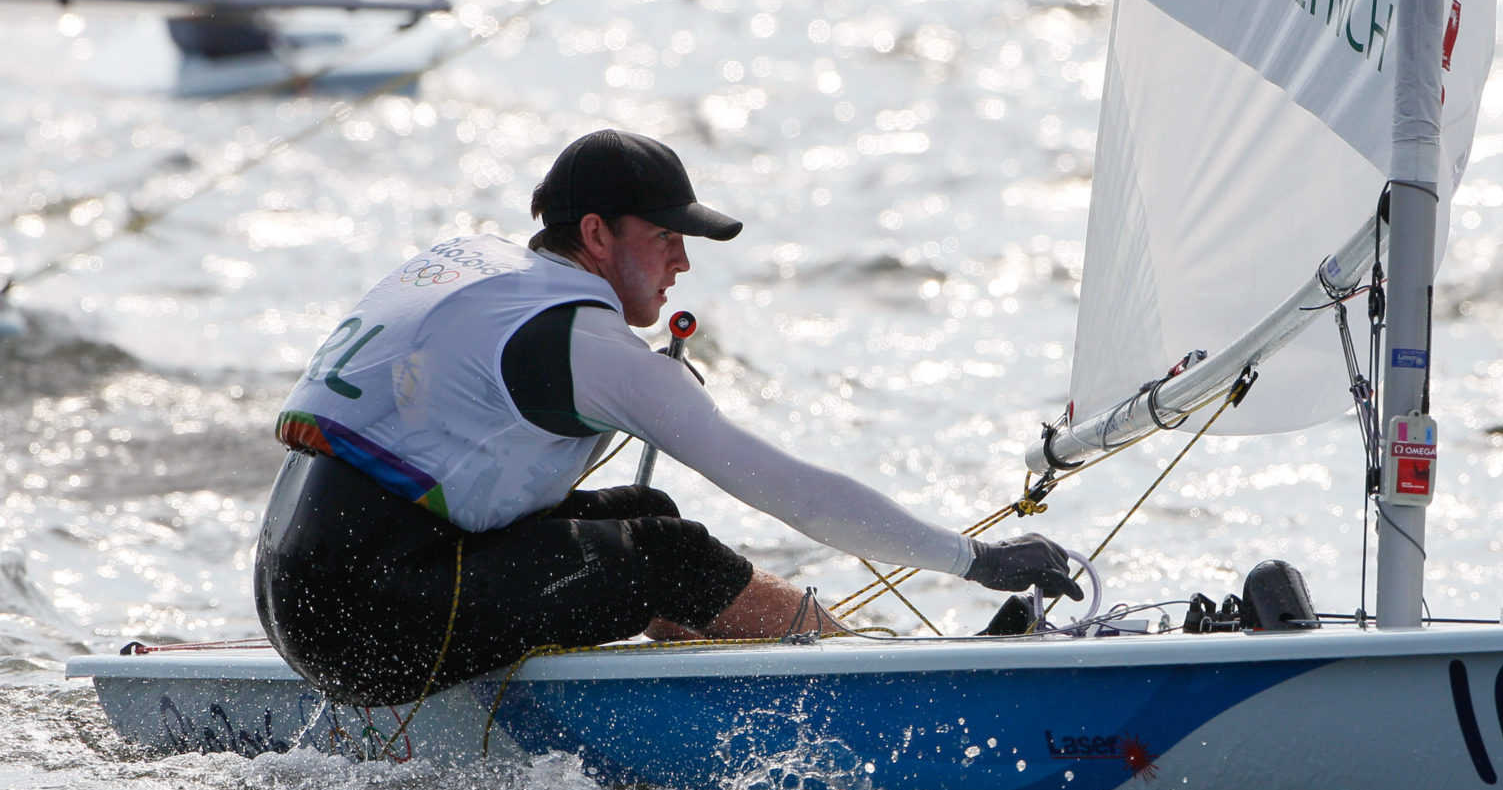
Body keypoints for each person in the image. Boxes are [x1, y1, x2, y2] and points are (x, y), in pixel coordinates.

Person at [255, 129, 1082, 707]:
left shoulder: (487, 273)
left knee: (640, 517)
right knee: (665, 555)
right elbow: (785, 486)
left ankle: (766, 677)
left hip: (301, 591)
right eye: (665, 237)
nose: (684, 260)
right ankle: (872, 679)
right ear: (595, 234)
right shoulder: (583, 342)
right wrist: (973, 559)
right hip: (367, 623)